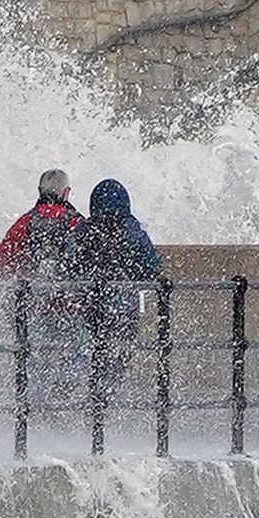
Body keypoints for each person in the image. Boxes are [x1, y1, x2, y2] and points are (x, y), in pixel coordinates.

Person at [0, 169, 87, 408]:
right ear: (66, 193)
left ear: (40, 192)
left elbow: (6, 254)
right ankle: (61, 395)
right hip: (68, 305)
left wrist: (21, 283)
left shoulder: (26, 221)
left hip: (36, 305)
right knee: (80, 349)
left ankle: (32, 407)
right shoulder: (75, 222)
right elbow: (86, 259)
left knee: (34, 355)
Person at [75, 178, 163, 417]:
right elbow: (153, 268)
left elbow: (70, 264)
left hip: (91, 306)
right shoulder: (132, 231)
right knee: (119, 357)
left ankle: (91, 401)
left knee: (95, 351)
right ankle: (104, 400)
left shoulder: (85, 230)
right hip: (125, 308)